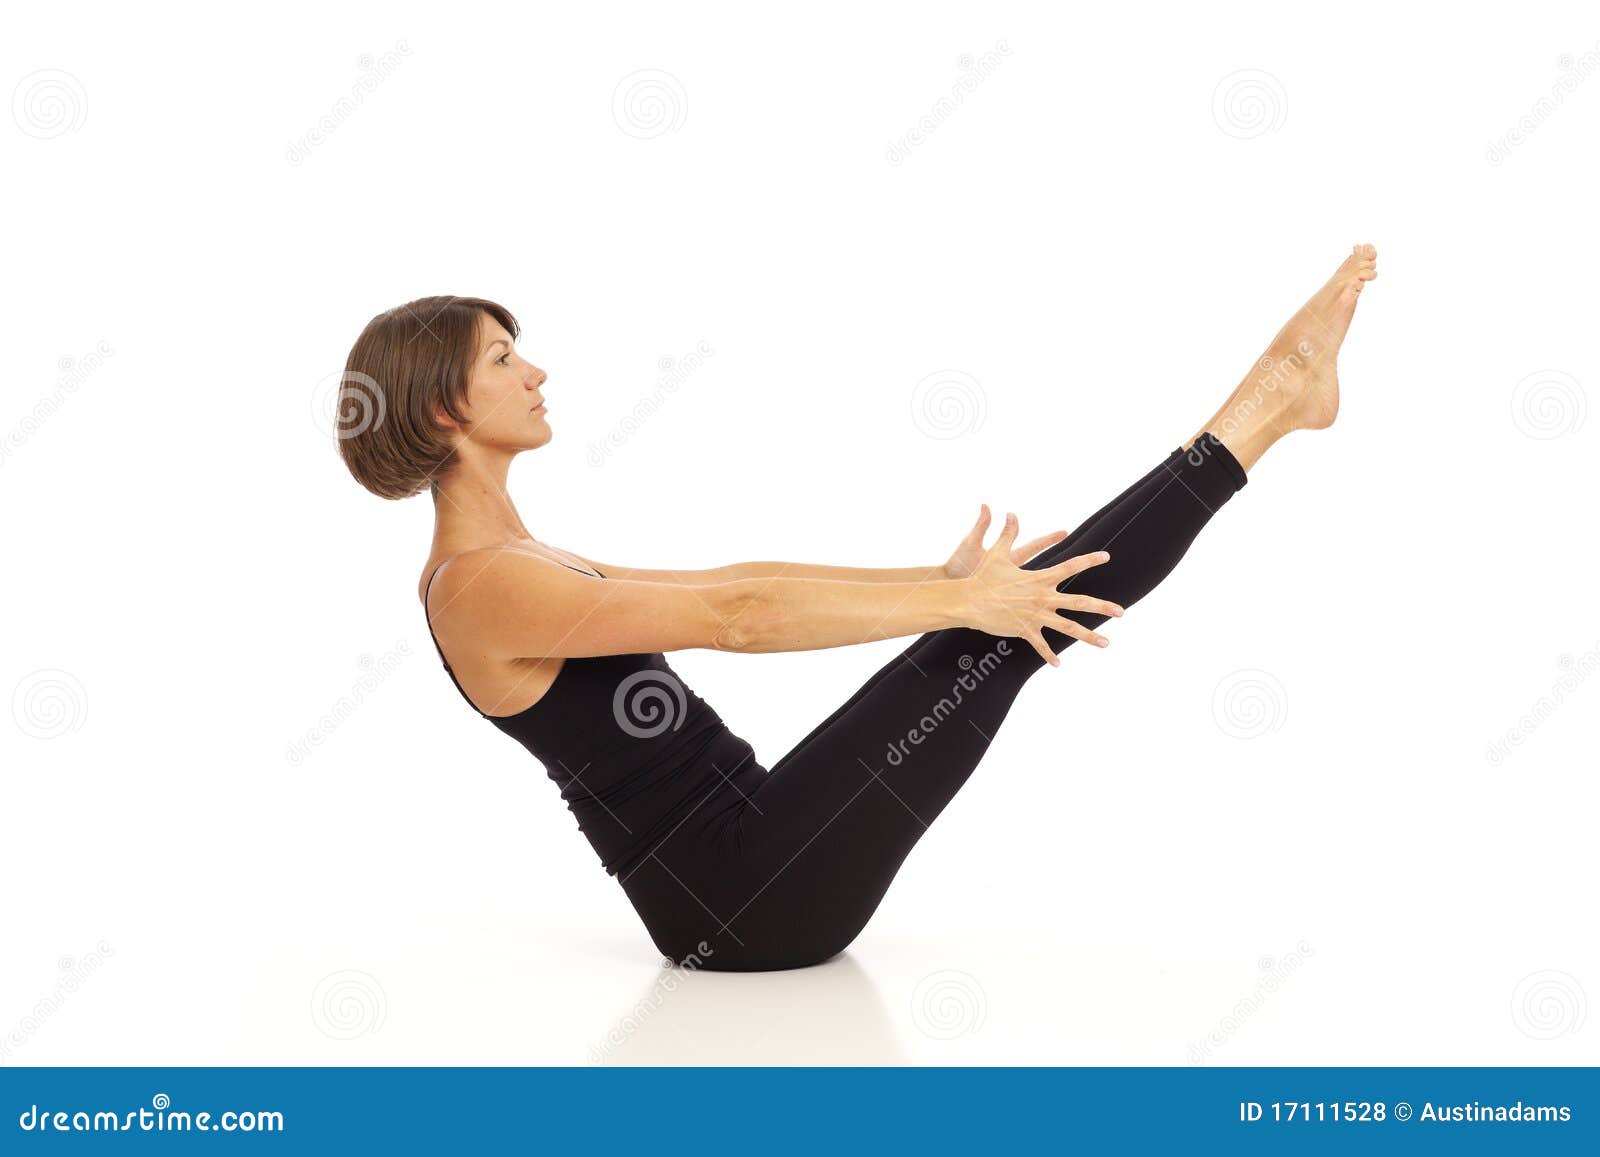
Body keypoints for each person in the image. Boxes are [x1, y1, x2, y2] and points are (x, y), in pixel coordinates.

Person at [335, 244, 1378, 970]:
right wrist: (960, 602)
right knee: (1009, 627)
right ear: (442, 407)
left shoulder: (512, 555)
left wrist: (939, 586)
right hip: (745, 901)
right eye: (504, 359)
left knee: (996, 613)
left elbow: (718, 584)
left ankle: (1272, 405)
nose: (538, 369)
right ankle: (1271, 405)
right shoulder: (479, 584)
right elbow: (736, 616)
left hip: (755, 844)